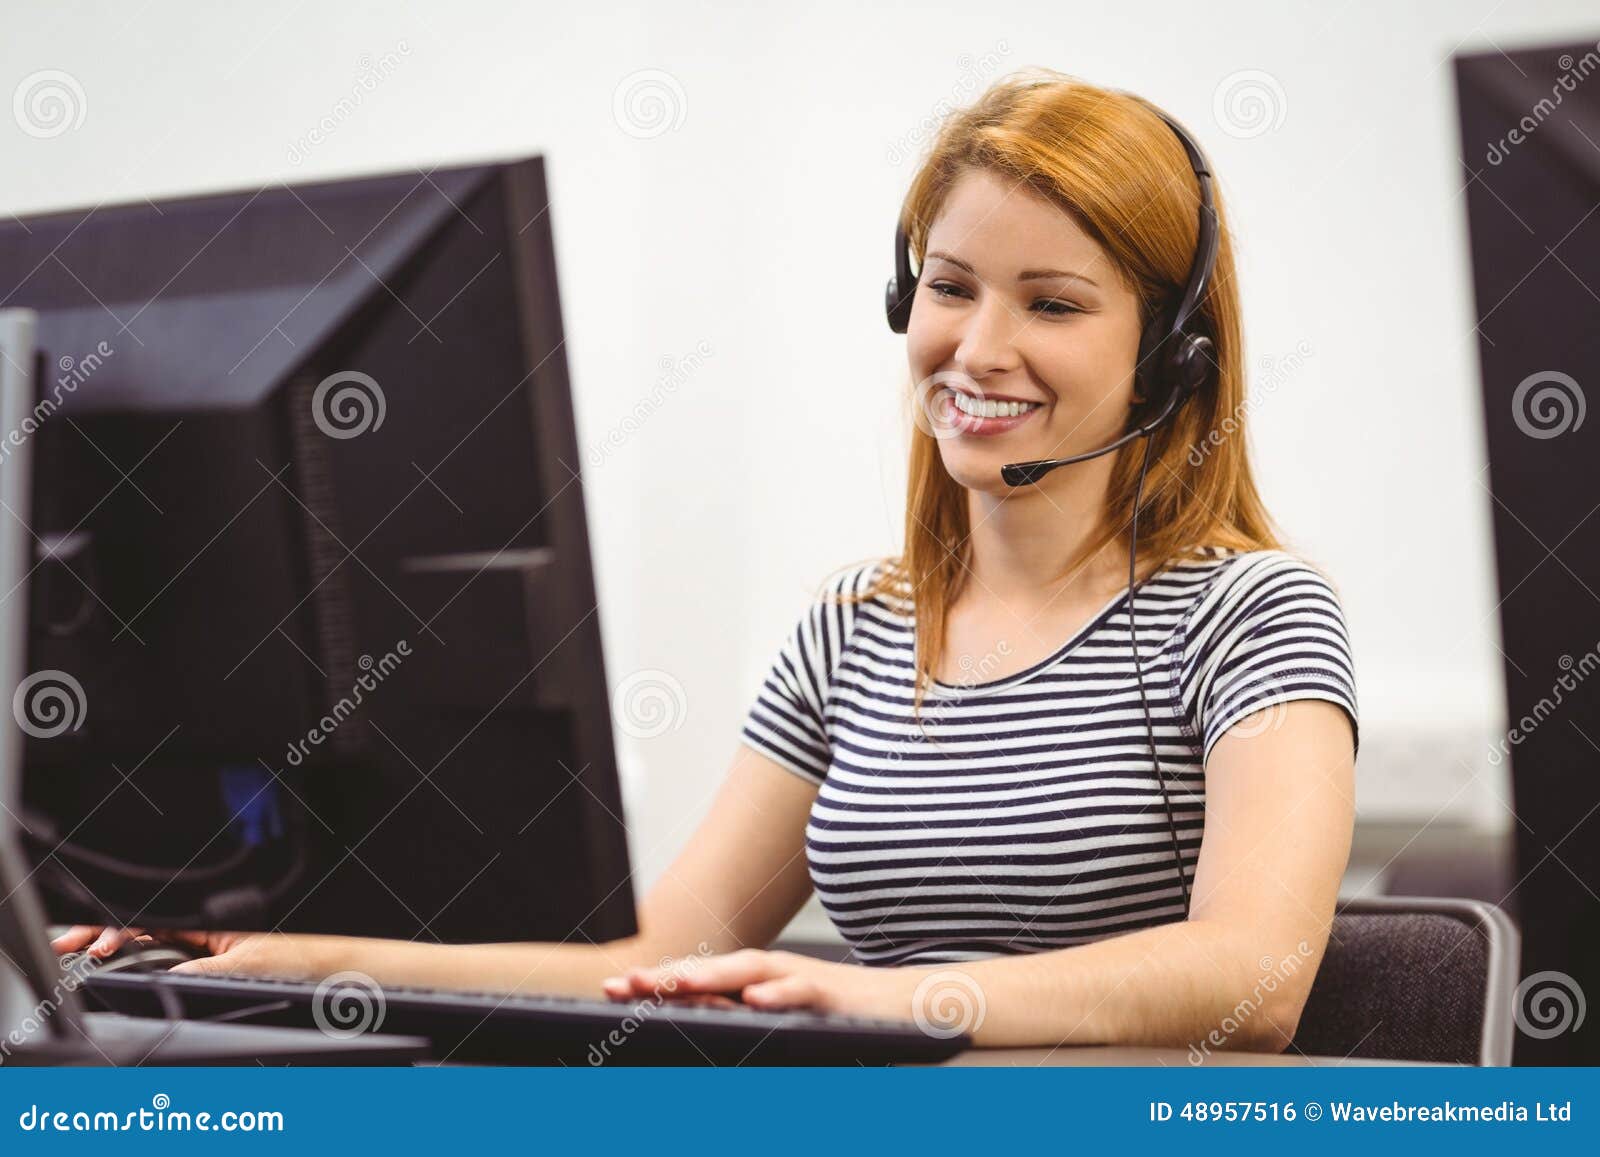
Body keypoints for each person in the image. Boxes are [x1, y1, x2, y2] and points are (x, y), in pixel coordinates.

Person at [55, 68, 1357, 1053]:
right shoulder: (855, 632)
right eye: (953, 286)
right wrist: (281, 956)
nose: (979, 347)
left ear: (1171, 355)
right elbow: (663, 954)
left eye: (1055, 303)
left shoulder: (1248, 612)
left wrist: (889, 999)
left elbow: (1256, 977)